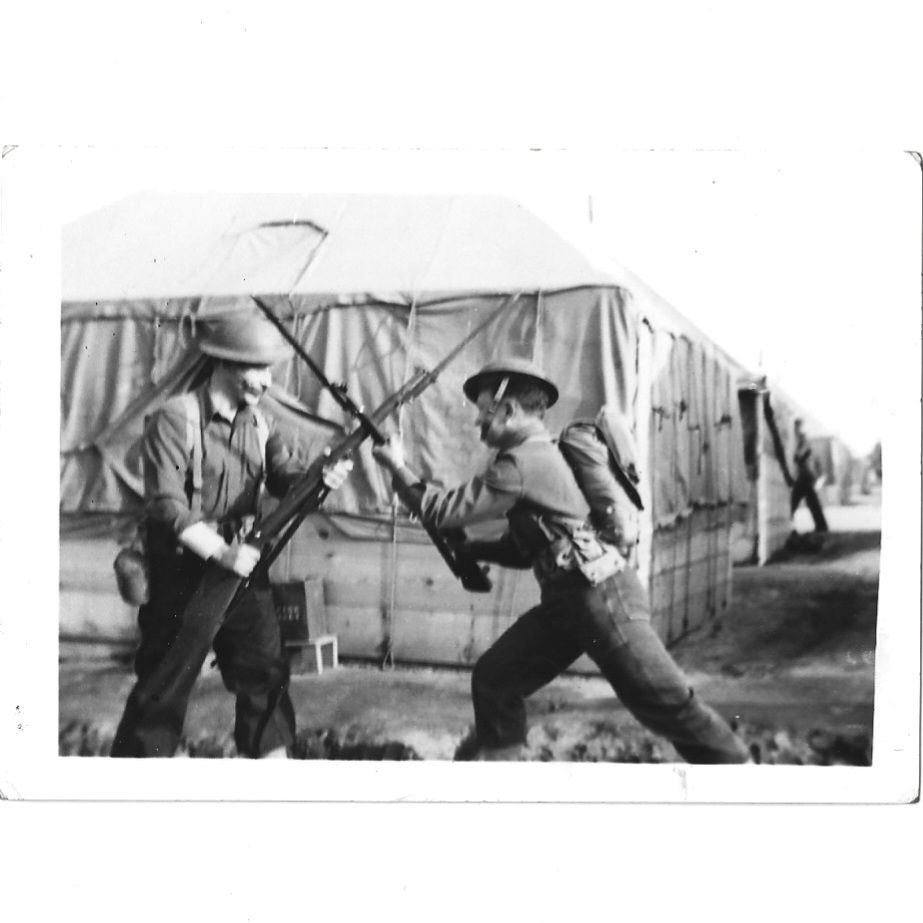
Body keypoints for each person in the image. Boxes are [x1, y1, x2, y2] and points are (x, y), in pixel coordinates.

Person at [373, 358, 751, 763]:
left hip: (601, 598)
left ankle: (743, 777)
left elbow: (442, 511)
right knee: (496, 680)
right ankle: (494, 778)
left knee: (664, 701)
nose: (478, 422)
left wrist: (397, 466)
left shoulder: (521, 462)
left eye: (483, 411)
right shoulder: (534, 458)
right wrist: (474, 550)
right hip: (570, 601)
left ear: (508, 409)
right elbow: (529, 550)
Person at [111, 310, 352, 758]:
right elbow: (167, 505)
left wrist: (322, 479)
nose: (267, 381)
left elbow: (285, 478)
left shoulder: (260, 423)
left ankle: (272, 774)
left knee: (266, 675)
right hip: (185, 572)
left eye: (269, 369)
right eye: (257, 368)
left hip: (244, 566)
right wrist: (221, 552)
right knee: (162, 689)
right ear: (224, 362)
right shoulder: (175, 418)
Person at [790, 418, 828, 532]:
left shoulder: (803, 440)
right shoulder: (799, 440)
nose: (796, 429)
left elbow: (800, 456)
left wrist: (796, 456)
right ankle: (821, 525)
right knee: (811, 501)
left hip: (805, 475)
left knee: (795, 500)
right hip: (805, 475)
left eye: (797, 427)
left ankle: (821, 525)